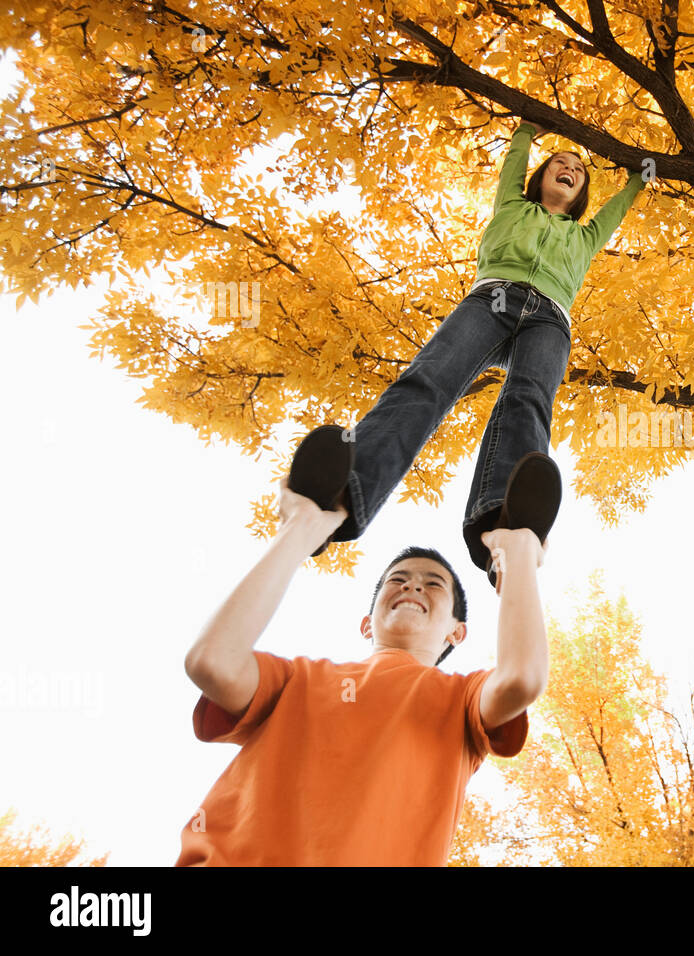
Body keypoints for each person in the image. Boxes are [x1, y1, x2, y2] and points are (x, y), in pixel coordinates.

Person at [289, 119, 647, 583]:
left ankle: (503, 520)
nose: (568, 167)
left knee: (528, 403)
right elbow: (512, 169)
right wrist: (524, 131)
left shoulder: (584, 236)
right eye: (559, 161)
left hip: (549, 319)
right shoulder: (512, 205)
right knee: (429, 380)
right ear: (541, 177)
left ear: (580, 195)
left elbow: (616, 209)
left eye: (577, 169)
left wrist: (641, 177)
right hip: (491, 300)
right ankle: (344, 490)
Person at [175, 478, 547, 866]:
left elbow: (523, 678)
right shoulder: (294, 680)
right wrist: (299, 530)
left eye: (433, 584)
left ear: (457, 632)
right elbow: (212, 661)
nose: (413, 586)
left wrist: (517, 556)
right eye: (397, 580)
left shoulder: (463, 701)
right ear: (367, 623)